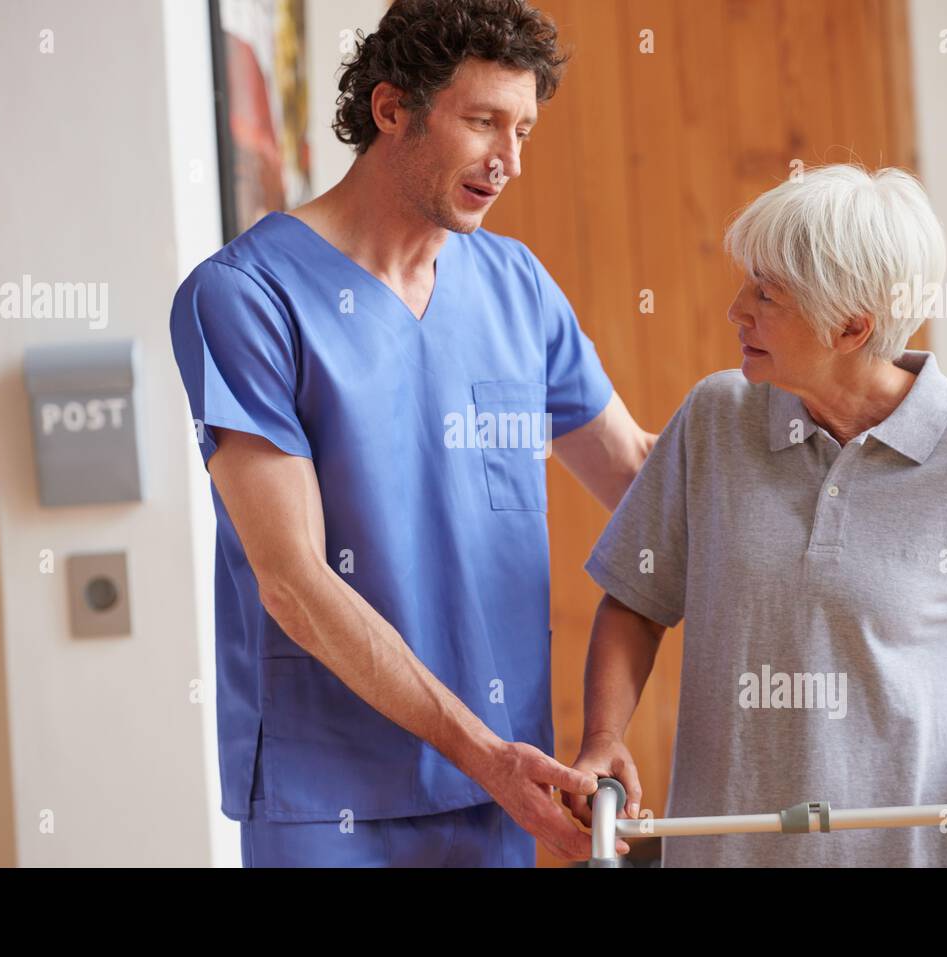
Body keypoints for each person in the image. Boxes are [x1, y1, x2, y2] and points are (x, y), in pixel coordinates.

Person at [169, 0, 654, 867]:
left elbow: (641, 481)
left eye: (525, 129)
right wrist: (483, 753)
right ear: (392, 110)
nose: (509, 160)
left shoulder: (516, 285)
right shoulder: (245, 298)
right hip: (329, 796)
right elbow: (293, 583)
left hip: (505, 785)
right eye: (483, 123)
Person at [563, 164, 947, 867]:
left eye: (767, 295)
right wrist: (603, 735)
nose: (737, 308)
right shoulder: (714, 419)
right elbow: (636, 602)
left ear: (853, 327)